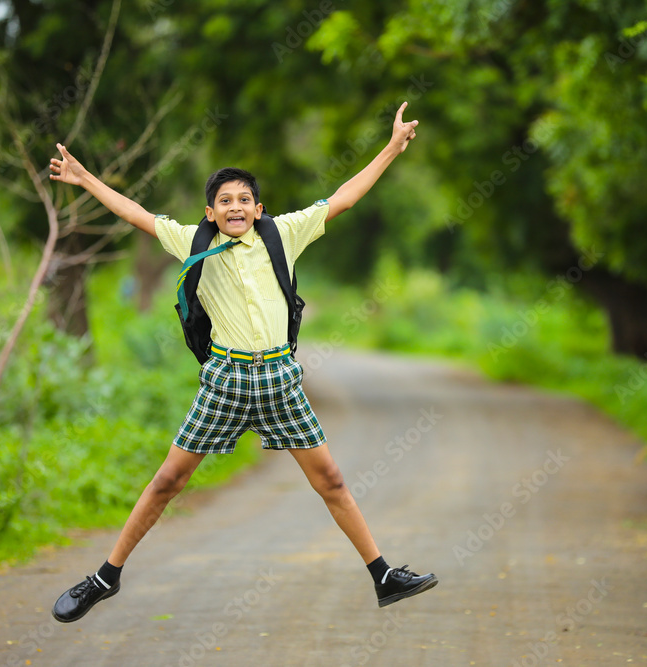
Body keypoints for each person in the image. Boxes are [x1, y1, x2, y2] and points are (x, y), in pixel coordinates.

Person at [47, 101, 437, 623]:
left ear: (258, 208)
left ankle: (383, 576)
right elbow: (134, 211)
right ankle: (105, 577)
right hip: (224, 380)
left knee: (333, 482)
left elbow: (345, 197)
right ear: (209, 211)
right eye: (224, 200)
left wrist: (390, 148)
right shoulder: (192, 240)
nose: (235, 206)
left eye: (244, 199)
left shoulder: (285, 234)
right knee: (168, 481)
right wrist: (84, 178)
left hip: (280, 378)